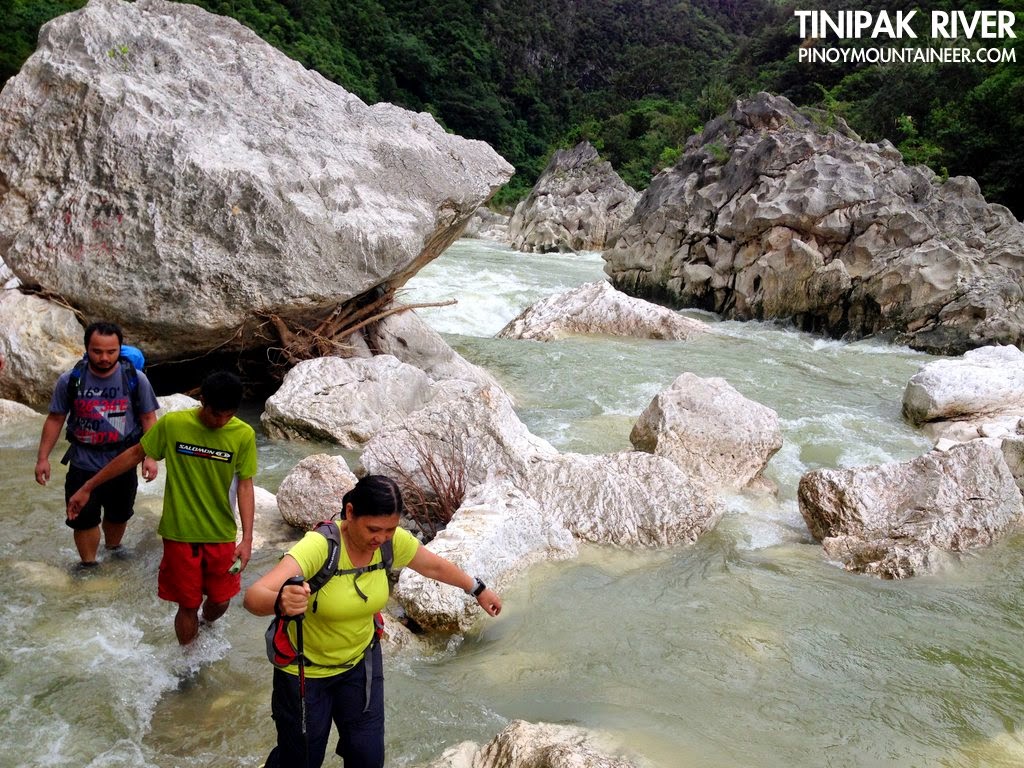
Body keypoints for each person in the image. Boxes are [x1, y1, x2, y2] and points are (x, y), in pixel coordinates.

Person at [244, 475, 502, 768]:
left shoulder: (390, 544)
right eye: (373, 529)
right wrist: (280, 601)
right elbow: (254, 597)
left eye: (390, 530)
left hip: (359, 666)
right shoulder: (320, 546)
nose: (380, 538)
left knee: (367, 757)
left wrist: (477, 589)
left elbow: (434, 566)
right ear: (350, 513)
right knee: (301, 760)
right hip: (305, 672)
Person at [68, 371, 257, 645]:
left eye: (228, 415)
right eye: (216, 414)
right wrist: (88, 487)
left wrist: (247, 538)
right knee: (187, 604)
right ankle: (188, 663)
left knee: (220, 600)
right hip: (179, 533)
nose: (221, 421)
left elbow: (245, 486)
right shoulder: (173, 424)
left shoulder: (244, 434)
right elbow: (134, 454)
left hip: (221, 533)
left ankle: (206, 624)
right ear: (202, 401)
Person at [36, 321, 159, 566]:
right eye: (97, 351)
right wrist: (42, 458)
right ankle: (89, 564)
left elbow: (148, 417)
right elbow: (56, 418)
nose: (104, 357)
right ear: (87, 349)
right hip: (83, 460)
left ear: (119, 349)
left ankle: (113, 549)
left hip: (123, 460)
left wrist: (151, 455)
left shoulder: (136, 379)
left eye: (111, 351)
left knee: (119, 512)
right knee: (83, 517)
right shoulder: (70, 380)